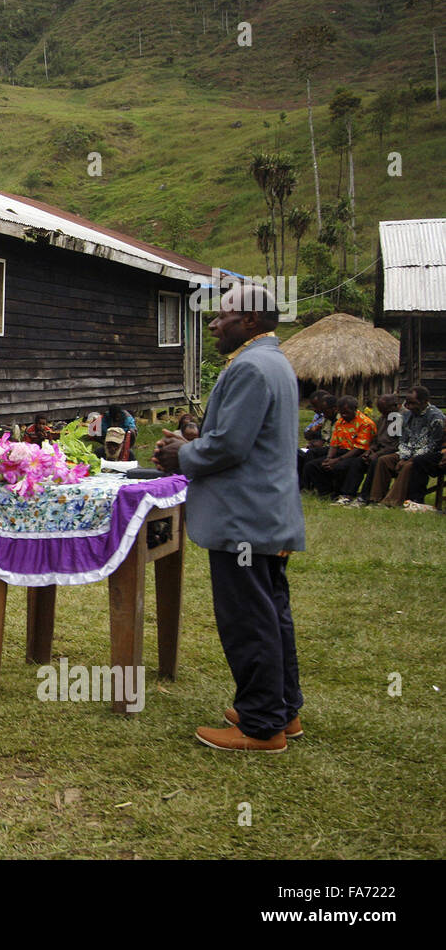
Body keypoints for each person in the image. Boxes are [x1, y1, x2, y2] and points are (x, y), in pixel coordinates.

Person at [153, 281, 305, 753]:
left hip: (243, 519)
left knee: (248, 619)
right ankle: (283, 709)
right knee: (272, 611)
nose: (214, 323)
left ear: (252, 321)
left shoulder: (250, 367)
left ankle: (261, 727)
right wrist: (200, 437)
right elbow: (246, 434)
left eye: (223, 316)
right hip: (266, 514)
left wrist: (186, 452)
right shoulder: (273, 362)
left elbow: (230, 447)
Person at [367, 386, 445, 508]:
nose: (409, 406)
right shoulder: (408, 415)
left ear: (424, 402)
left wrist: (409, 459)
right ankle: (375, 498)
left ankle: (391, 502)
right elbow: (403, 440)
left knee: (409, 466)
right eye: (407, 403)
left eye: (413, 403)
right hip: (408, 452)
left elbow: (433, 445)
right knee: (384, 461)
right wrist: (403, 457)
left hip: (426, 456)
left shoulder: (436, 417)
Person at [300, 395, 376, 501]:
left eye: (346, 412)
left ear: (354, 409)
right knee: (312, 466)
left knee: (339, 466)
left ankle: (342, 492)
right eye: (341, 412)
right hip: (341, 451)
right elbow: (334, 443)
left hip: (356, 453)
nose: (343, 415)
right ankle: (326, 492)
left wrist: (336, 460)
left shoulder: (365, 423)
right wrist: (329, 458)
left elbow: (359, 449)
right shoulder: (340, 422)